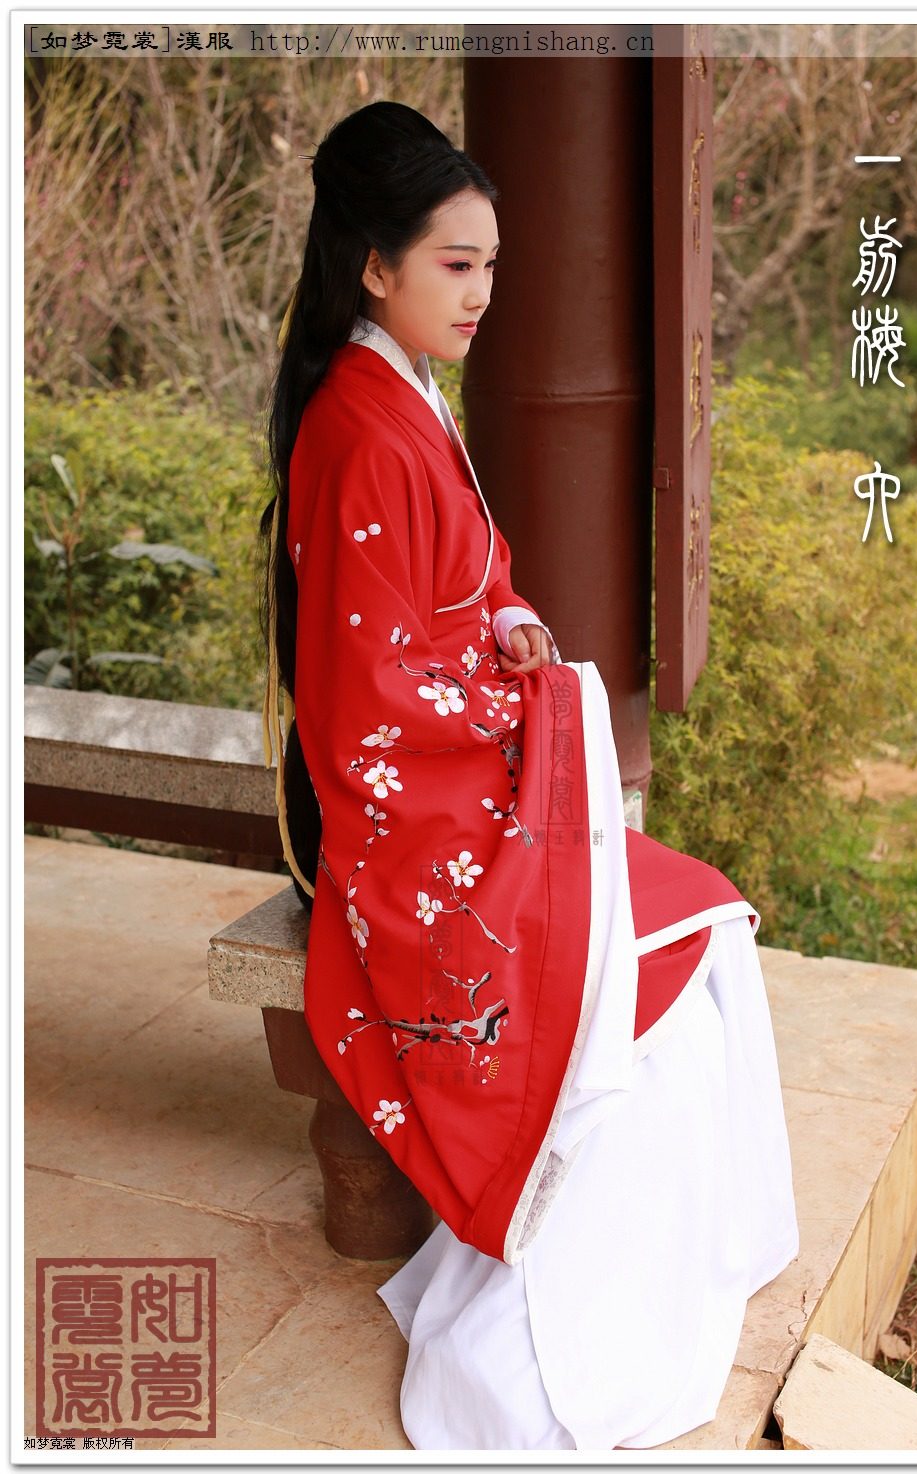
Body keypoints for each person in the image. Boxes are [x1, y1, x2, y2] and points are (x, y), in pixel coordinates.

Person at [259, 100, 799, 1451]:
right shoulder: (360, 427)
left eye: (491, 264)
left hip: (461, 781)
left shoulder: (403, 396)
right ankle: (572, 1329)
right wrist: (539, 705)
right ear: (372, 263)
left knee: (699, 926)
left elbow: (467, 587)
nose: (482, 291)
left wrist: (508, 628)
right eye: (457, 263)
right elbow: (369, 702)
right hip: (409, 826)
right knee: (646, 992)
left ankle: (655, 1276)